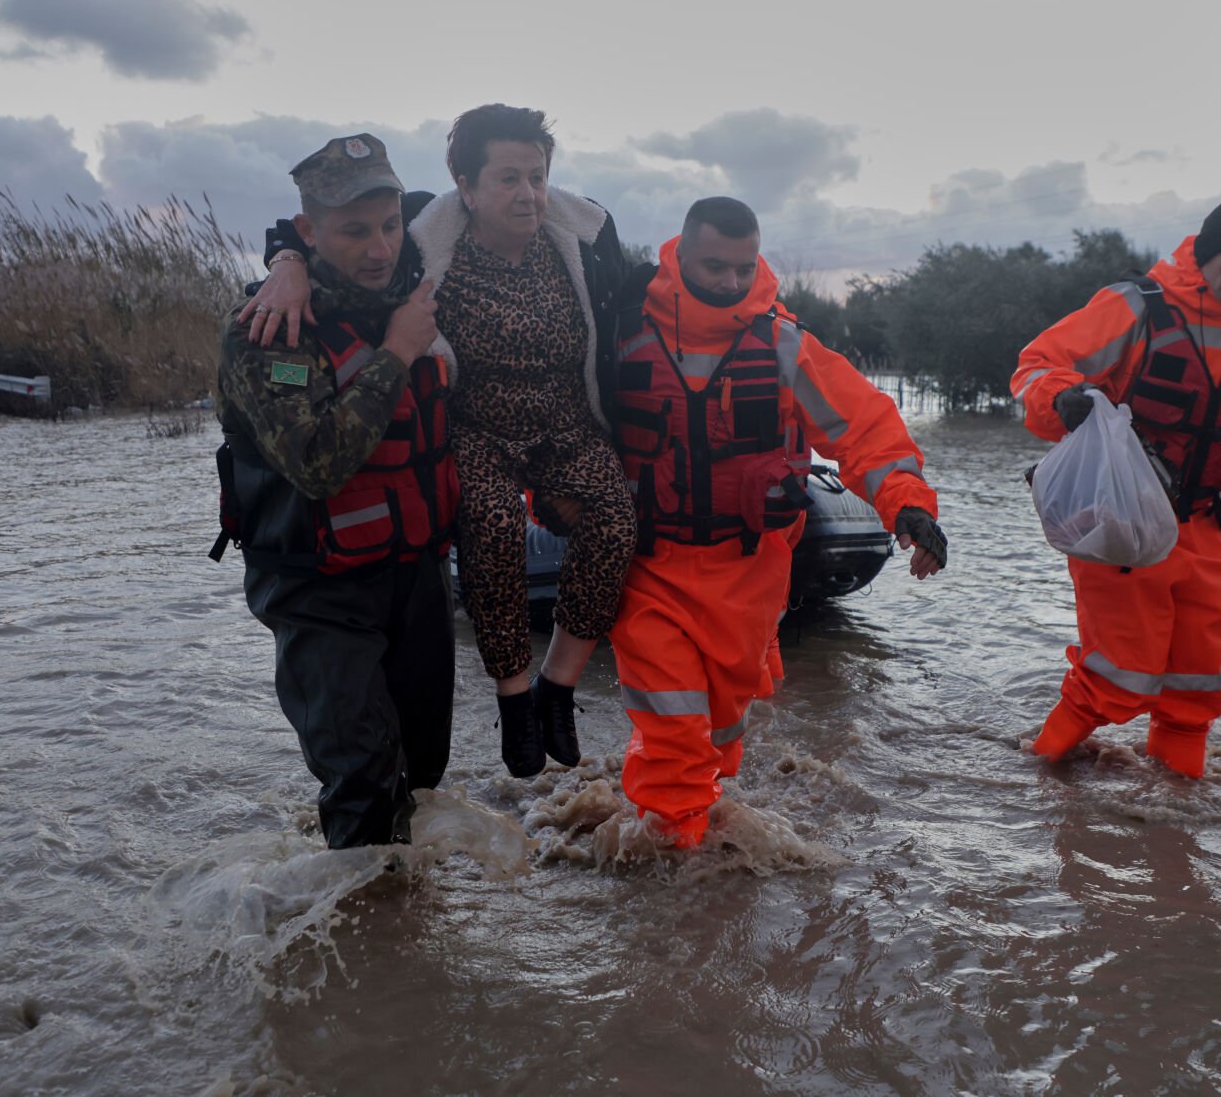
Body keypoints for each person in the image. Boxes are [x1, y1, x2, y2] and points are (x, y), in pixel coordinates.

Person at [243, 105, 637, 780]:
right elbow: (321, 236)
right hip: (476, 427)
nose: (527, 194)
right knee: (489, 518)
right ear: (465, 182)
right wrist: (286, 262)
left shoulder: (587, 236)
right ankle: (513, 700)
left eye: (537, 177)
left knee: (615, 515)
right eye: (507, 178)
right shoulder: (423, 239)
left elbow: (647, 288)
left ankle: (557, 687)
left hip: (566, 422)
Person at [602, 197, 948, 847]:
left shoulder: (783, 344)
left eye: (743, 267)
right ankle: (679, 882)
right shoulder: (621, 328)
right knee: (673, 729)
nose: (732, 282)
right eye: (715, 266)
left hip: (749, 573)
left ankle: (690, 818)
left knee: (722, 730)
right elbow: (569, 428)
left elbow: (865, 428)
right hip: (648, 564)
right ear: (678, 253)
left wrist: (908, 505)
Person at [1010, 197, 1221, 778]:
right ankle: (1035, 775)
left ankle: (1179, 807)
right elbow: (1037, 363)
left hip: (1204, 526)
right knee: (1115, 675)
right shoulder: (1135, 306)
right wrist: (1060, 397)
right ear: (1206, 252)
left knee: (1196, 682)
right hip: (1122, 522)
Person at [213, 133, 457, 847]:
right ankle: (364, 939)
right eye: (355, 231)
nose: (379, 248)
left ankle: (410, 937)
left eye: (388, 226)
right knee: (360, 780)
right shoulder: (267, 328)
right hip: (317, 590)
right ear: (310, 231)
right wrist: (398, 353)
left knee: (422, 772)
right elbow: (319, 463)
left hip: (413, 576)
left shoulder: (407, 281)